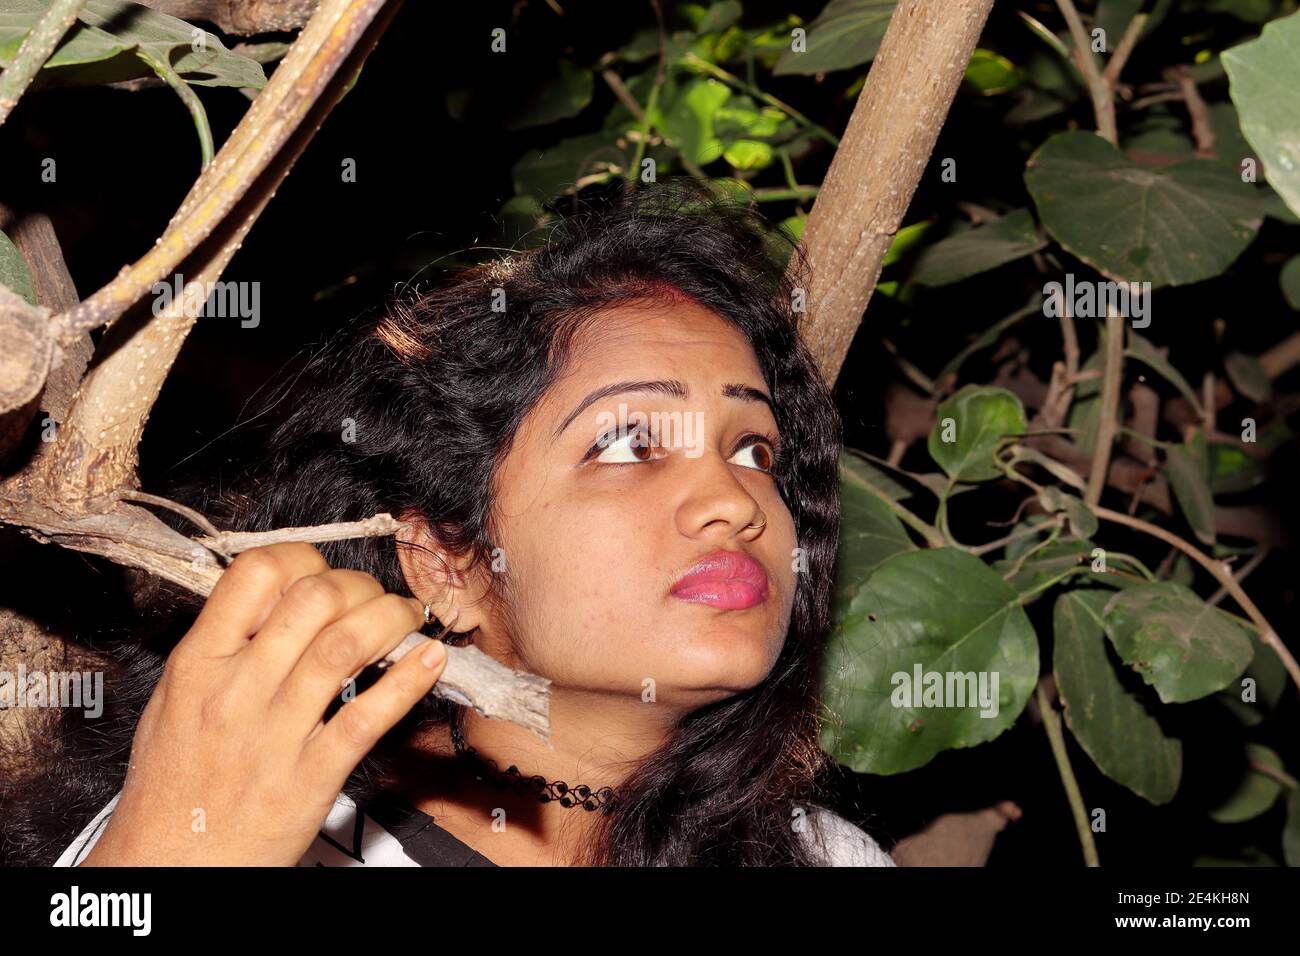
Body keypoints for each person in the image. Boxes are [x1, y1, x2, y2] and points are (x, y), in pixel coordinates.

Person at [14, 178, 895, 867]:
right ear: (446, 562)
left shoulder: (824, 854)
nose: (735, 502)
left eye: (754, 451)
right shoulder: (289, 821)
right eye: (629, 443)